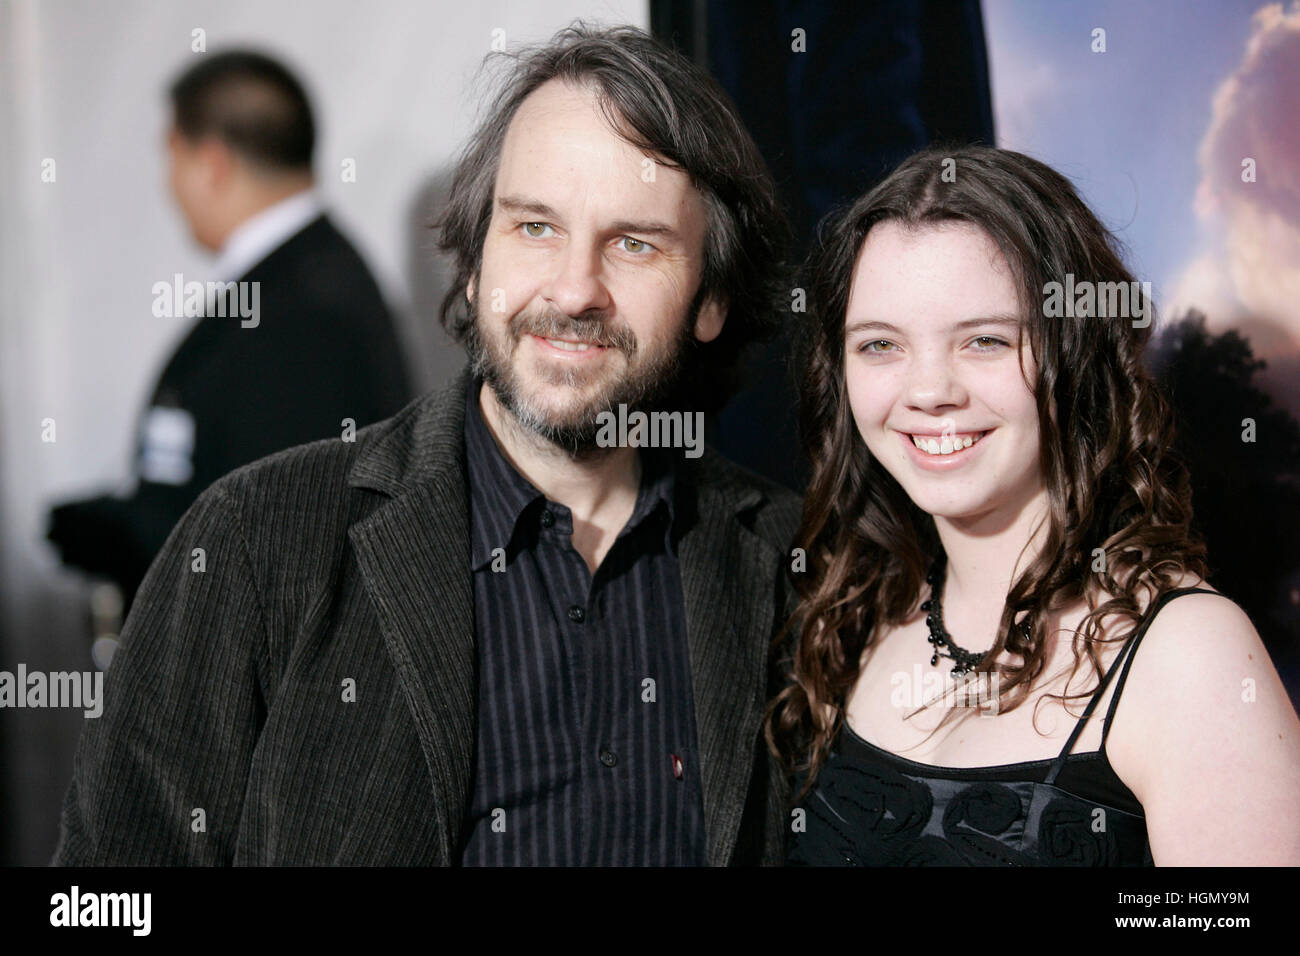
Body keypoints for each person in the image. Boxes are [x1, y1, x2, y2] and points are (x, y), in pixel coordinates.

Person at [52, 24, 798, 866]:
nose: (573, 290)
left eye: (634, 243)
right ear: (475, 265)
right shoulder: (252, 540)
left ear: (711, 299)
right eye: (535, 227)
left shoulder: (793, 567)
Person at [767, 144, 1300, 865]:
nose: (929, 391)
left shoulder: (1188, 655)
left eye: (985, 340)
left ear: (1075, 353)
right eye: (881, 345)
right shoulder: (854, 621)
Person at [47, 50, 412, 613]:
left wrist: (121, 533)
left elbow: (282, 538)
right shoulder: (299, 277)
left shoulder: (305, 309)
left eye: (171, 157)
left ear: (212, 165)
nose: (168, 184)